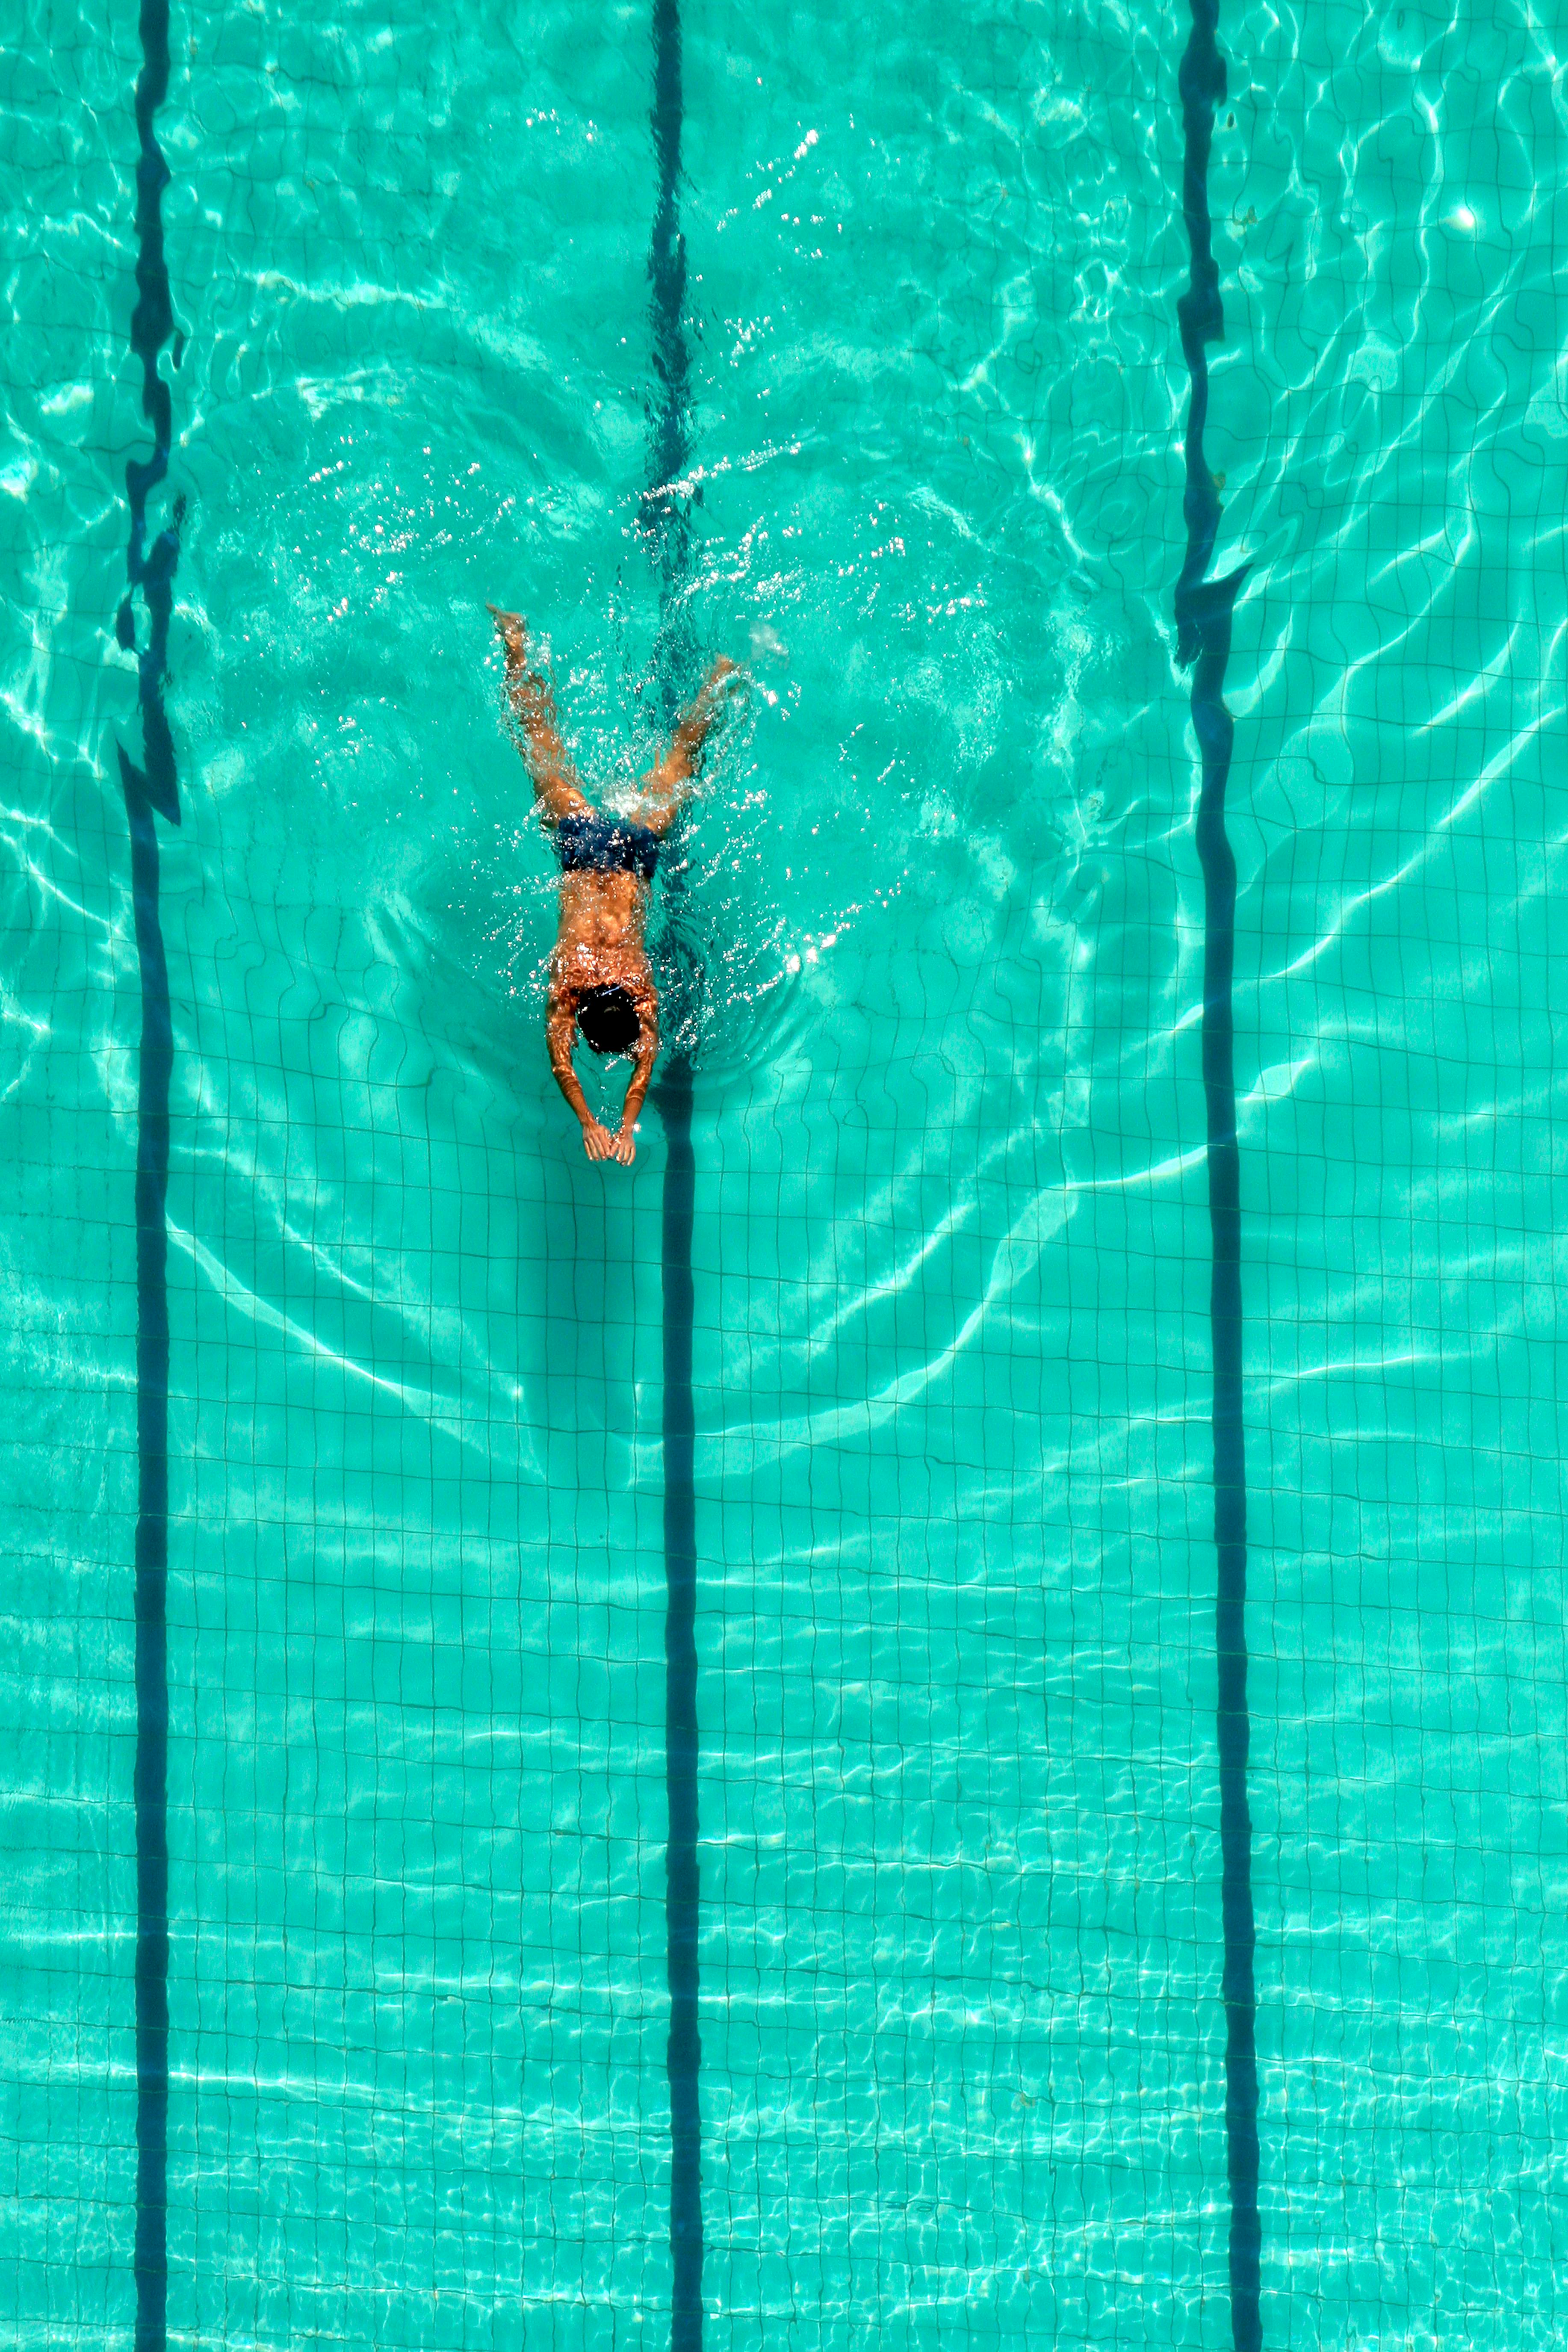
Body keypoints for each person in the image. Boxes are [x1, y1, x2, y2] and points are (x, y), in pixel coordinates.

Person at [489, 606, 738, 1164]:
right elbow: (561, 1061)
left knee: (682, 760)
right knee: (538, 741)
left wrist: (617, 1125)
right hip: (579, 852)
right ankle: (516, 643)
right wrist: (594, 1123)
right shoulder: (568, 985)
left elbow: (643, 1058)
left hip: (634, 859)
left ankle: (720, 677)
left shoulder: (638, 987)